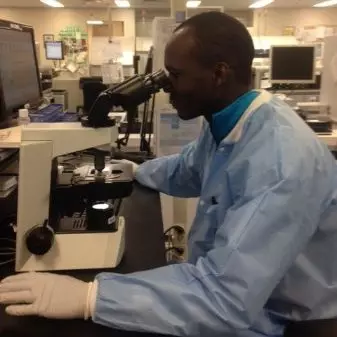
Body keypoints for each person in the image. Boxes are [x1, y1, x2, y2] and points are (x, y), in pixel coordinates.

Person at [1, 11, 337, 337]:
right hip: (242, 295)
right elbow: (187, 169)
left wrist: (91, 297)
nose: (165, 88)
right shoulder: (232, 121)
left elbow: (226, 298)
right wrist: (132, 171)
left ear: (219, 74)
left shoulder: (281, 160)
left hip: (279, 317)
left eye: (174, 75)